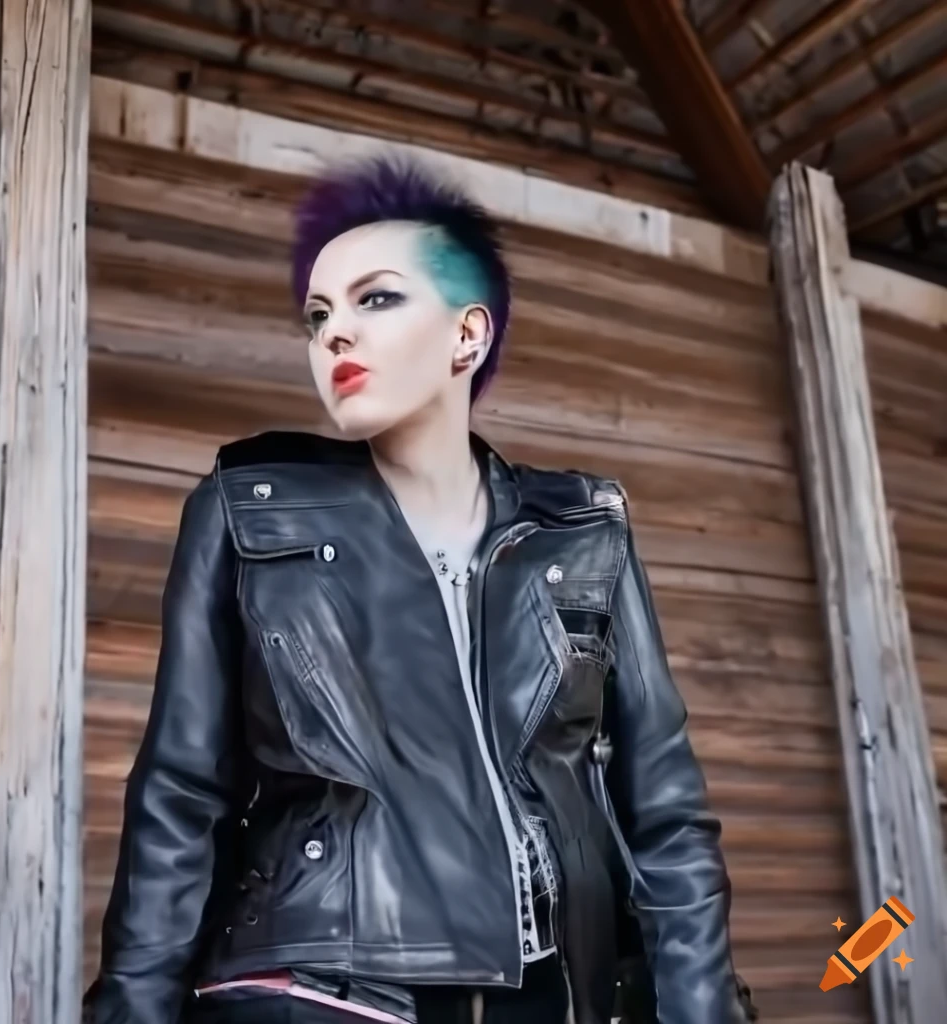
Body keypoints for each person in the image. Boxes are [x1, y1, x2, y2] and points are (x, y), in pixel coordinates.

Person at [83, 156, 752, 1024]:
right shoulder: (248, 508)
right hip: (320, 990)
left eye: (376, 299)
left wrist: (701, 1011)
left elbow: (665, 811)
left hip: (555, 992)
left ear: (467, 337)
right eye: (318, 314)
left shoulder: (585, 529)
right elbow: (179, 797)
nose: (333, 335)